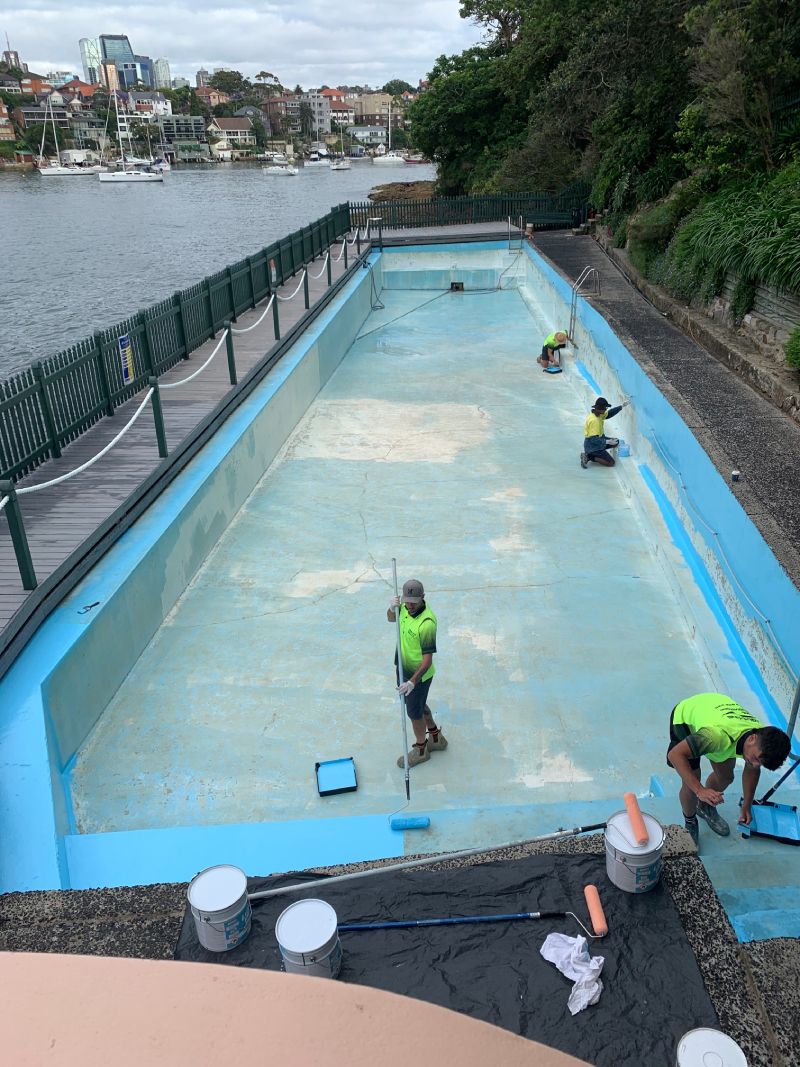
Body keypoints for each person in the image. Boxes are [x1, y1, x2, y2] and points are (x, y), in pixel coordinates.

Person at [666, 692, 791, 847]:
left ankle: (704, 806)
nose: (756, 764)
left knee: (726, 777)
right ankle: (690, 821)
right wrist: (700, 790)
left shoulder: (758, 738)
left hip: (716, 715)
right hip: (686, 719)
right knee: (691, 783)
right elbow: (675, 755)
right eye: (757, 759)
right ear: (752, 739)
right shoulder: (717, 737)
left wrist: (747, 804)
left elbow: (752, 768)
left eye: (761, 763)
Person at [387, 578, 447, 768]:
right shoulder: (404, 608)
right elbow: (390, 618)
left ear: (423, 598)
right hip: (403, 668)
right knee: (418, 706)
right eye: (406, 601)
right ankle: (436, 738)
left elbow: (427, 661)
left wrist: (412, 682)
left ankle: (421, 750)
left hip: (418, 675)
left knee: (414, 713)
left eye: (413, 602)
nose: (409, 605)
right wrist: (391, 608)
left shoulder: (427, 623)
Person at [580, 396, 628, 468]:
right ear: (601, 409)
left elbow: (609, 414)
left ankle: (591, 454)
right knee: (611, 462)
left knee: (616, 441)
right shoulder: (594, 421)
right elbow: (594, 439)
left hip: (597, 440)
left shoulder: (597, 414)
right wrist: (607, 441)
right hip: (593, 446)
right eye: (605, 408)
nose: (606, 409)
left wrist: (621, 406)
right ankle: (589, 456)